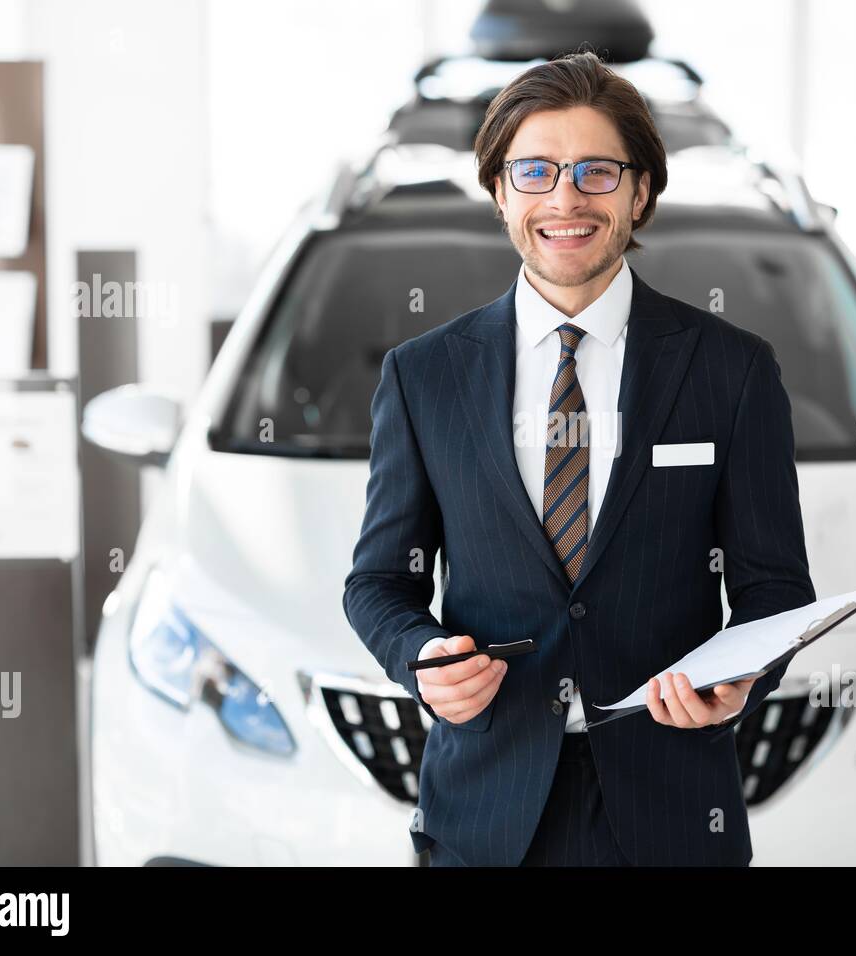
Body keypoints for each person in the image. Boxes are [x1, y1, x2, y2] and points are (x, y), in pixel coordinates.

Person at [343, 50, 815, 866]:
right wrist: (419, 657)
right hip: (487, 809)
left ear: (640, 193)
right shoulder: (425, 376)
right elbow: (379, 582)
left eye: (597, 172)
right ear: (499, 193)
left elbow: (775, 587)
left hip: (670, 806)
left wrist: (742, 681)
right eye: (534, 171)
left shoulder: (730, 370)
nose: (565, 198)